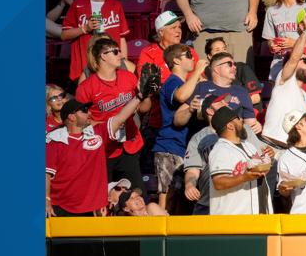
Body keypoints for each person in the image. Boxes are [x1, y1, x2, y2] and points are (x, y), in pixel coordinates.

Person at [46, 97, 144, 217]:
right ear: (71, 117)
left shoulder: (97, 133)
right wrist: (46, 200)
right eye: (84, 110)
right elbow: (46, 175)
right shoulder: (54, 141)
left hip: (93, 209)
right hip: (61, 207)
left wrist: (139, 97)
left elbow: (120, 118)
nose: (89, 113)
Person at [75, 37, 152, 188]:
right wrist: (106, 126)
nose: (121, 55)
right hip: (103, 149)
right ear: (103, 56)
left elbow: (144, 109)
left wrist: (146, 95)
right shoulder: (86, 87)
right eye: (116, 52)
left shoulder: (129, 77)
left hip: (130, 144)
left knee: (136, 193)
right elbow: (79, 122)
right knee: (104, 195)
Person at [184, 94, 268, 215]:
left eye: (225, 101)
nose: (226, 104)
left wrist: (267, 153)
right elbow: (192, 170)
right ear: (209, 110)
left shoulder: (244, 130)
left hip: (243, 201)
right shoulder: (199, 138)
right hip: (209, 202)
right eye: (220, 102)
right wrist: (189, 185)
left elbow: (260, 157)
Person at [154, 43, 208, 209]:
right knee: (167, 198)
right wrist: (198, 71)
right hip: (168, 146)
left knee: (178, 201)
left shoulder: (186, 82)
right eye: (189, 55)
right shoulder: (172, 81)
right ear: (176, 61)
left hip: (183, 147)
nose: (193, 58)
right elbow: (181, 95)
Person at [60, 0, 130, 84]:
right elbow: (64, 35)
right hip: (85, 65)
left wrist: (123, 61)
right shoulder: (77, 5)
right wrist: (85, 28)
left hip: (110, 64)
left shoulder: (116, 5)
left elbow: (122, 37)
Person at [207, 105, 276, 215]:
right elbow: (218, 182)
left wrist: (268, 158)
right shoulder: (220, 150)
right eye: (238, 118)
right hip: (234, 219)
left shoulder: (249, 146)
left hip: (258, 214)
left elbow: (259, 173)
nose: (242, 120)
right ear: (230, 126)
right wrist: (244, 177)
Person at [263, 20, 306, 147]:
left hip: (290, 150)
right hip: (270, 146)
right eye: (305, 60)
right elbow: (294, 58)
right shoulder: (284, 80)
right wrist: (305, 32)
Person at [194, 51, 262, 134]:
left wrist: (255, 127)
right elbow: (178, 120)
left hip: (233, 140)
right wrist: (190, 109)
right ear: (216, 68)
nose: (234, 67)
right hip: (205, 139)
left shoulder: (241, 91)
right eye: (230, 64)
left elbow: (250, 123)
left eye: (234, 64)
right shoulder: (201, 87)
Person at [263, 0, 306, 82]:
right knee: (277, 92)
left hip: (301, 58)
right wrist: (272, 45)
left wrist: (295, 44)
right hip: (279, 60)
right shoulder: (272, 11)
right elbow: (270, 39)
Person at [137, 11, 200, 83]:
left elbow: (200, 77)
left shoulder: (189, 51)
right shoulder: (149, 53)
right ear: (161, 32)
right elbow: (147, 83)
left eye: (179, 27)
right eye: (173, 28)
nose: (178, 31)